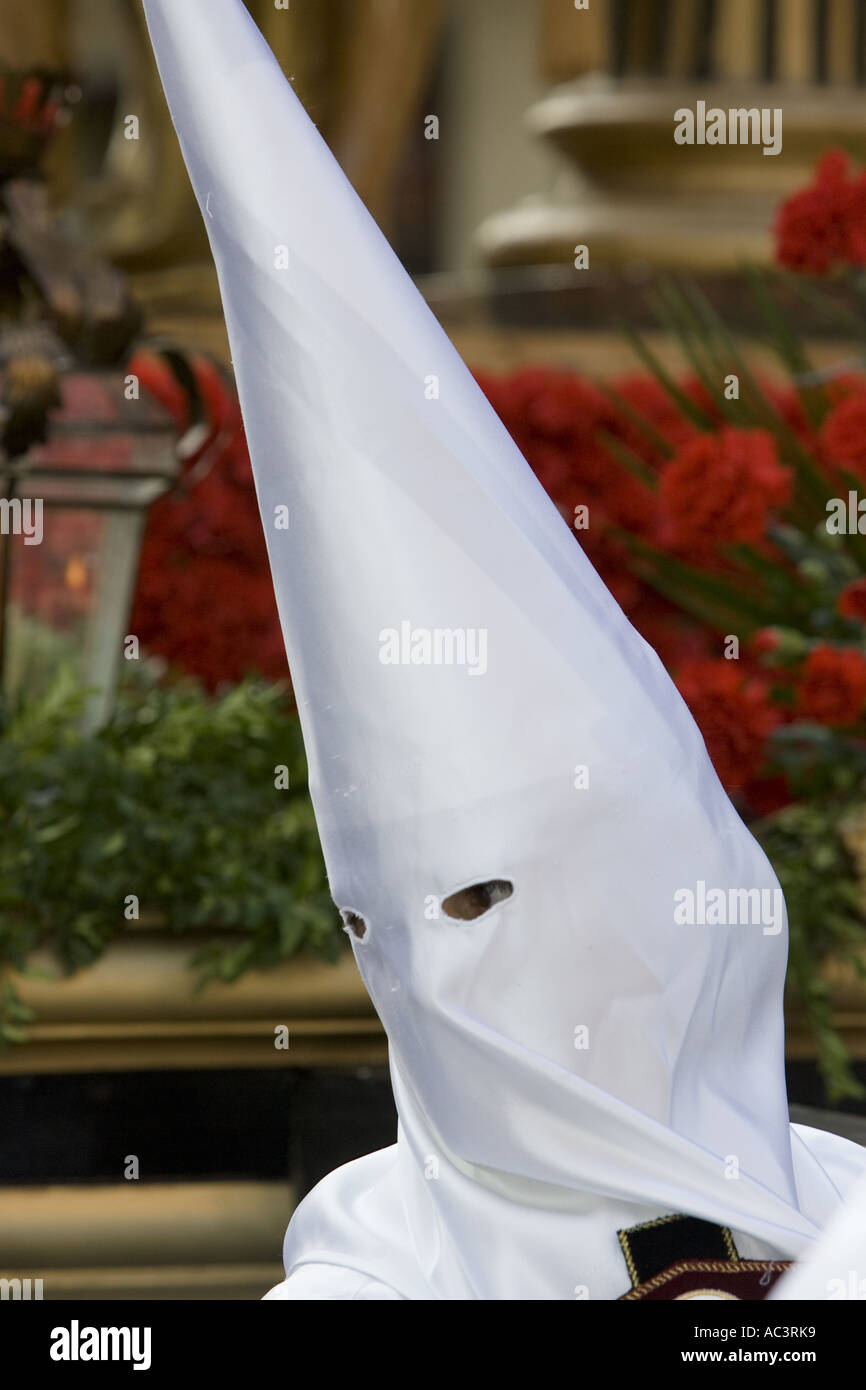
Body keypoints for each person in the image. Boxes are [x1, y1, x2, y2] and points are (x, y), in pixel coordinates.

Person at [142, 0, 866, 1300]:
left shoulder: (841, 1209)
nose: (427, 971)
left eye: (478, 902)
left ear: (655, 868)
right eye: (370, 927)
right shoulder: (380, 1249)